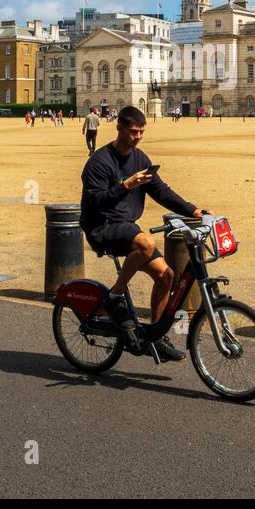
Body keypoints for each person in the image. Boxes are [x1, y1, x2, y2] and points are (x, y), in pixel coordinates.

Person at [80, 106, 206, 362]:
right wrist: (125, 186)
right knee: (147, 242)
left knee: (167, 275)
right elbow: (95, 202)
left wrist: (192, 210)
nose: (137, 137)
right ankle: (114, 296)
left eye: (141, 132)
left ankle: (155, 338)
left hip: (126, 226)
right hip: (101, 226)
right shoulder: (99, 162)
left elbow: (162, 191)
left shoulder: (140, 159)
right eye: (133, 132)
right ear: (119, 128)